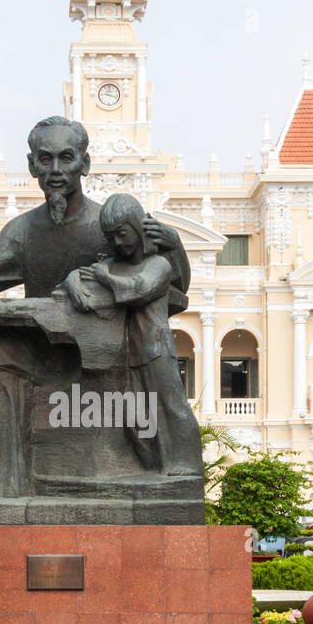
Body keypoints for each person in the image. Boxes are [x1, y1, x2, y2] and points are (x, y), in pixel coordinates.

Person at [0, 116, 190, 499]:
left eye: (66, 158)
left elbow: (169, 288)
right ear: (32, 166)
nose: (55, 170)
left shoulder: (109, 225)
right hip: (41, 349)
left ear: (84, 165)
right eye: (45, 159)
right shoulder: (23, 231)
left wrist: (173, 246)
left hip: (102, 357)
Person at [62, 192, 200, 476]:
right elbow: (80, 274)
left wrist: (104, 278)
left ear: (138, 228)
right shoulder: (114, 265)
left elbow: (137, 289)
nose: (117, 243)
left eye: (122, 234)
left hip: (155, 348)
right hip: (125, 352)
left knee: (171, 406)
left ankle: (186, 465)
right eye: (111, 237)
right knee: (135, 417)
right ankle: (152, 465)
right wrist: (72, 282)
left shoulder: (158, 264)